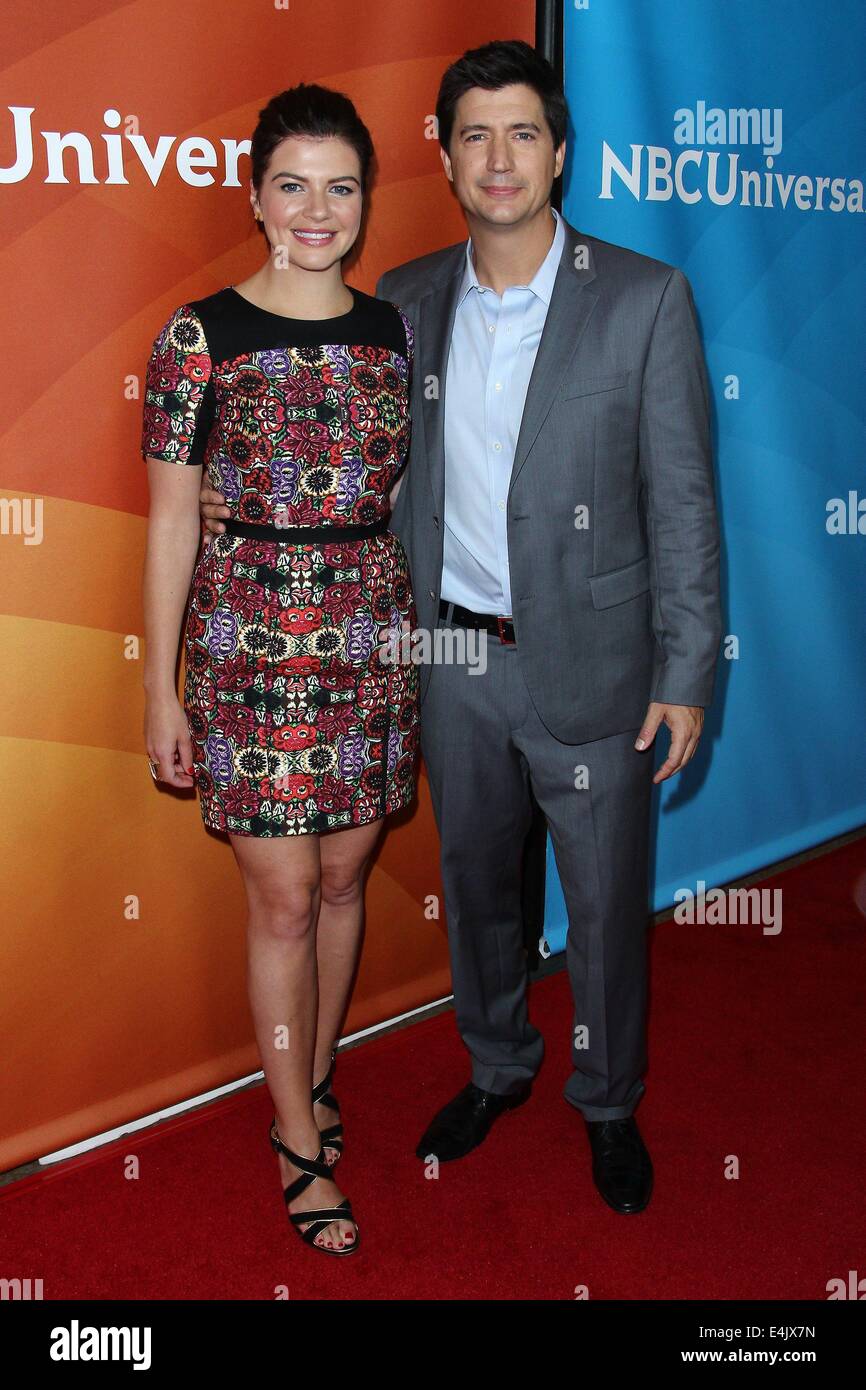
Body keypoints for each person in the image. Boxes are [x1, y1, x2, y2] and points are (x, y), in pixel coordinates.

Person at [200, 41, 722, 1216]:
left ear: (560, 155)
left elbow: (684, 500)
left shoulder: (643, 299)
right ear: (443, 158)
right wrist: (254, 511)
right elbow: (360, 466)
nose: (497, 158)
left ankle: (605, 1097)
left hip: (594, 663)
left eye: (521, 133)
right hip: (443, 657)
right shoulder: (407, 305)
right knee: (477, 888)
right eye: (473, 134)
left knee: (599, 908)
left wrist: (686, 671)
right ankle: (495, 1064)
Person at [140, 83, 419, 1255]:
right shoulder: (196, 336)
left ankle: (319, 1068)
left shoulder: (392, 328)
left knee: (349, 883)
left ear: (363, 201)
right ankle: (296, 1137)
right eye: (292, 184)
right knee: (286, 896)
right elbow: (165, 522)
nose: (317, 209)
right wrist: (157, 688)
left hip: (368, 635)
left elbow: (401, 485)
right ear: (256, 197)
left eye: (340, 186)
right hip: (246, 639)